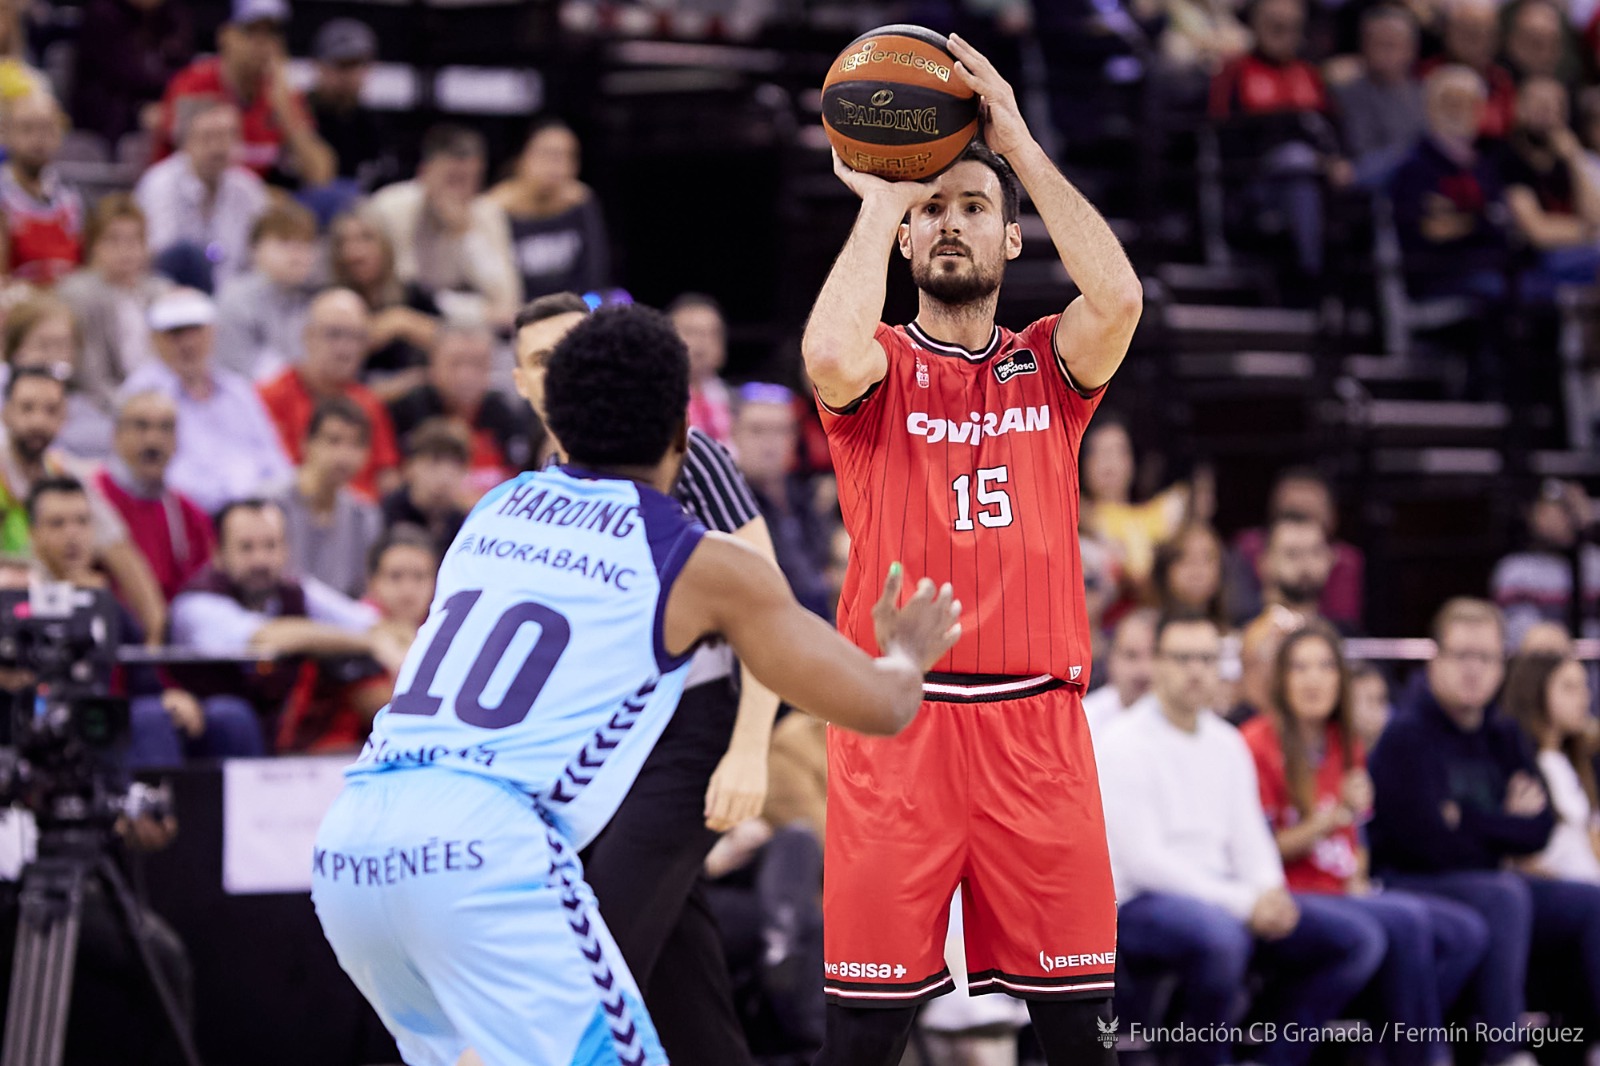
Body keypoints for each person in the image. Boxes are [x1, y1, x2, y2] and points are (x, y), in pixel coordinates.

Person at [311, 304, 963, 1066]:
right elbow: (878, 705)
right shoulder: (696, 562)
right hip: (481, 852)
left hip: (352, 844)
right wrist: (906, 655)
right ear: (683, 440)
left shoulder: (490, 511)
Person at [800, 33, 1142, 1064]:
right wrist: (878, 195)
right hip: (898, 725)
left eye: (972, 207)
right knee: (863, 1038)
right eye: (931, 210)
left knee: (1077, 1035)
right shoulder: (876, 367)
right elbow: (824, 352)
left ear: (1011, 242)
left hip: (1037, 728)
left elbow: (1120, 300)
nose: (949, 224)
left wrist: (1018, 145)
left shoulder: (1049, 367)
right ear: (906, 243)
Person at [511, 293, 784, 1064]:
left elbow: (770, 604)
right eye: (542, 359)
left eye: (574, 350)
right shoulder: (543, 474)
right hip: (603, 741)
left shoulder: (684, 451)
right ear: (522, 381)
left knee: (596, 955)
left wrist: (750, 748)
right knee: (681, 983)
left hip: (694, 725)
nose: (562, 370)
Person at [1098, 612, 1385, 1066]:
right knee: (1222, 938)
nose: (1196, 670)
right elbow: (1143, 861)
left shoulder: (1227, 743)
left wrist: (1270, 891)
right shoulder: (1121, 743)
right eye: (1182, 658)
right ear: (1157, 664)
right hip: (1141, 904)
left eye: (1207, 659)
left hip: (1226, 897)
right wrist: (1245, 903)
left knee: (1358, 939)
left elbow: (1252, 839)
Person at [1240, 623, 1490, 1066]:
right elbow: (1259, 849)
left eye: (1324, 667)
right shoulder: (1255, 743)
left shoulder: (1346, 742)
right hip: (1291, 891)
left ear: (1341, 678)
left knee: (1465, 933)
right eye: (1299, 668)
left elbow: (1357, 840)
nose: (1313, 679)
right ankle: (1418, 1058)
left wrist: (1357, 872)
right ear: (1281, 679)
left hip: (1343, 891)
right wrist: (1329, 819)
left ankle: (1378, 1049)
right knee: (1405, 918)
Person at [1367, 598, 1600, 1066]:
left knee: (1590, 902)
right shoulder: (1407, 736)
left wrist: (1466, 819)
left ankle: (1581, 1045)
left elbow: (1538, 829)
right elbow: (1427, 842)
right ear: (1435, 660)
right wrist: (1501, 827)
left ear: (1501, 666)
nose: (1473, 671)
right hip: (1412, 880)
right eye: (1461, 656)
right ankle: (1503, 1052)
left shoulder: (1504, 734)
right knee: (1505, 895)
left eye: (1486, 658)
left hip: (1487, 877)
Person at [27, 475, 252, 767]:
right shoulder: (21, 599)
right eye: (57, 524)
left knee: (231, 717)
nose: (73, 535)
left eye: (82, 522)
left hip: (115, 713)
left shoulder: (105, 600)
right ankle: (158, 814)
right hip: (53, 718)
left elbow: (141, 673)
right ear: (34, 534)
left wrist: (169, 696)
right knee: (150, 718)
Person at [168, 497, 403, 726]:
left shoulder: (293, 589)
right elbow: (268, 637)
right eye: (246, 548)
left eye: (270, 545)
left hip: (273, 732)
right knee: (231, 718)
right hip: (202, 735)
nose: (260, 560)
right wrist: (370, 643)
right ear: (218, 553)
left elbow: (374, 623)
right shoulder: (196, 602)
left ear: (286, 549)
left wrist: (394, 642)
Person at [0, 367, 166, 641]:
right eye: (27, 408)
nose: (38, 421)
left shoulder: (69, 478)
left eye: (51, 410)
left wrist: (154, 638)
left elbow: (125, 558)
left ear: (64, 416)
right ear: (6, 412)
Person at [120, 287, 293, 513]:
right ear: (155, 339)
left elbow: (275, 461)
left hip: (257, 514)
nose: (187, 342)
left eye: (195, 330)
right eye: (175, 333)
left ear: (212, 332)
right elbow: (144, 473)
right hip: (185, 518)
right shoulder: (140, 393)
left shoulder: (237, 390)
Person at [276, 524, 435, 754]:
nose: (408, 590)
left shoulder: (435, 630)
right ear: (372, 582)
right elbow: (386, 708)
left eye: (420, 577)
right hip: (323, 759)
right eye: (396, 577)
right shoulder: (352, 628)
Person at [154, 0, 334, 188]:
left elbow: (320, 175)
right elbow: (195, 169)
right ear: (225, 35)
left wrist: (285, 109)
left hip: (251, 200)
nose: (263, 43)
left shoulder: (282, 93)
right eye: (251, 31)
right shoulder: (194, 84)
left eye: (272, 33)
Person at [367, 125, 520, 328]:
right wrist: (473, 310)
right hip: (398, 325)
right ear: (424, 173)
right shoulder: (389, 208)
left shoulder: (487, 213)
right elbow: (402, 289)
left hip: (464, 331)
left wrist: (465, 234)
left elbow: (507, 300)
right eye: (452, 180)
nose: (461, 192)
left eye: (471, 180)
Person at [257, 288, 402, 501]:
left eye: (356, 337)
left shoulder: (369, 404)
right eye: (334, 334)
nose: (345, 349)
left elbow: (387, 480)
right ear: (307, 336)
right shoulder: (267, 398)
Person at [1389, 65, 1513, 302]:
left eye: (1469, 104)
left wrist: (1469, 221)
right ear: (1430, 108)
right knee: (1498, 290)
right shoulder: (1415, 165)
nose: (1460, 112)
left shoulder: (1484, 164)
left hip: (1489, 266)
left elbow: (1501, 222)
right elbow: (1431, 231)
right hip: (1437, 272)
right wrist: (1480, 221)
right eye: (1450, 103)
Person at [92, 390, 214, 602]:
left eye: (165, 428)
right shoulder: (91, 498)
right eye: (141, 426)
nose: (153, 440)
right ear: (116, 435)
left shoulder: (189, 515)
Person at [134, 98, 269, 292]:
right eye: (208, 137)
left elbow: (261, 253)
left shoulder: (248, 188)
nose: (218, 148)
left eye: (227, 137)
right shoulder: (161, 183)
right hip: (173, 293)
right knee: (185, 254)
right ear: (185, 142)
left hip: (232, 298)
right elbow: (160, 256)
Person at [386, 322, 531, 499]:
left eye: (477, 364)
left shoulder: (503, 413)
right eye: (456, 363)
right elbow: (390, 481)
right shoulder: (407, 409)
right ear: (433, 365)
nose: (466, 375)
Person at [57, 194, 171, 414]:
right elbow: (91, 378)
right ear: (94, 246)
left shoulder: (161, 291)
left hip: (162, 399)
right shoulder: (78, 295)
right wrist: (131, 410)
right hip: (106, 404)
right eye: (113, 240)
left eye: (133, 241)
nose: (125, 250)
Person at [730, 381, 832, 617]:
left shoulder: (806, 495)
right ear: (735, 433)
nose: (770, 444)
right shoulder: (729, 503)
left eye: (781, 430)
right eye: (757, 430)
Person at [1083, 414, 1208, 600]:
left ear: (1132, 460)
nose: (1109, 462)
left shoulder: (1158, 519)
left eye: (1119, 451)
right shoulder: (1072, 524)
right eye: (1099, 452)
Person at [486, 117, 610, 303]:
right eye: (548, 154)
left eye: (568, 156)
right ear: (521, 158)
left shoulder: (581, 201)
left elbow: (595, 277)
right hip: (515, 315)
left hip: (574, 311)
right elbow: (494, 285)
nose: (557, 166)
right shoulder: (492, 209)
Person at [1504, 651, 1600, 883]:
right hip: (1558, 889)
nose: (1583, 697)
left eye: (1584, 686)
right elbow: (1517, 855)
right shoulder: (1520, 763)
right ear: (1536, 692)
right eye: (1569, 687)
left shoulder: (1575, 760)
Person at [1230, 467, 1365, 629]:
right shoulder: (1238, 637)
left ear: (1330, 559)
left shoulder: (1350, 642)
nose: (1304, 563)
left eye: (1314, 552)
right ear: (1263, 562)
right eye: (1292, 554)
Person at [276, 398, 382, 599]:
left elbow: (363, 593)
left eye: (356, 445)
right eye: (334, 441)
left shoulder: (365, 515)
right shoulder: (270, 505)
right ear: (306, 443)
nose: (344, 455)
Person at [328, 206, 440, 388]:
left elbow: (449, 341)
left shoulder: (411, 292)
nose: (354, 252)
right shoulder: (330, 302)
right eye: (343, 243)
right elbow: (331, 355)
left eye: (366, 238)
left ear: (386, 245)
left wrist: (403, 320)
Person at [212, 201, 319, 382]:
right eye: (284, 241)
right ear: (254, 249)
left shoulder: (314, 303)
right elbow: (235, 376)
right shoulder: (236, 300)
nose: (298, 252)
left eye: (305, 243)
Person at [1, 294, 113, 459]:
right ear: (15, 349)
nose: (54, 356)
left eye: (63, 345)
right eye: (43, 345)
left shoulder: (81, 399)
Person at [69, 0, 192, 146]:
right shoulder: (103, 14)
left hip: (160, 100)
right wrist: (139, 111)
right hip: (110, 106)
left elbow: (183, 68)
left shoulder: (174, 14)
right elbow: (122, 75)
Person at [1491, 480, 1600, 644]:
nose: (1561, 518)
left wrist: (1589, 531)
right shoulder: (1515, 570)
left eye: (1567, 509)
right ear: (1532, 514)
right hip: (1541, 665)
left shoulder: (1595, 562)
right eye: (1550, 508)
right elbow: (1521, 637)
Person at [1337, 6, 1428, 188]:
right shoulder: (1347, 94)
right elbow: (1357, 160)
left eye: (1391, 45)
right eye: (1377, 44)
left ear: (1411, 50)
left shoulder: (1426, 96)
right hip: (1371, 194)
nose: (1384, 54)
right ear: (1363, 46)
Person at [0, 90, 82, 287]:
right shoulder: (3, 199)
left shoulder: (72, 198)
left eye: (47, 128)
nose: (39, 138)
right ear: (5, 133)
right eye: (27, 129)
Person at [306, 19, 396, 192]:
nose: (349, 75)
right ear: (318, 66)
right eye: (341, 65)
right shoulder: (298, 115)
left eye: (356, 64)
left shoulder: (374, 125)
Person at [1417, 0, 1516, 138]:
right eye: (1468, 31)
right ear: (1448, 32)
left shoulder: (1501, 80)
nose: (1477, 40)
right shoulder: (1426, 74)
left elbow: (1507, 127)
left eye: (1486, 33)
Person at [381, 418, 468, 557]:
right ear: (409, 467)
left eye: (455, 467)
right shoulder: (383, 517)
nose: (444, 478)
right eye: (434, 463)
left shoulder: (463, 526)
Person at [669, 293, 734, 446]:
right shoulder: (653, 399)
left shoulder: (736, 403)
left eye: (711, 334)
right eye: (690, 332)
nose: (701, 343)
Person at [1082, 607, 1157, 737]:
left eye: (1154, 656)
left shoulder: (1193, 720)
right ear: (1111, 659)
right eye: (1131, 655)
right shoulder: (1085, 719)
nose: (1144, 669)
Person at [1151, 519, 1229, 625]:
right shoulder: (1143, 631)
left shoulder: (1236, 633)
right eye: (1184, 558)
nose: (1197, 569)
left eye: (1207, 558)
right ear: (1165, 568)